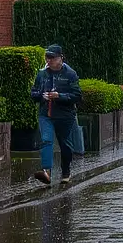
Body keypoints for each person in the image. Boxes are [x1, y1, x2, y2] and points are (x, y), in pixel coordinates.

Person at [30, 44, 83, 186]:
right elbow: (33, 93)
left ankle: (66, 171)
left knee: (65, 144)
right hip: (45, 114)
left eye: (52, 57)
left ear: (61, 58)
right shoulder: (42, 74)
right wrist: (42, 96)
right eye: (47, 57)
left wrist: (59, 96)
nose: (49, 60)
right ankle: (46, 171)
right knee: (46, 140)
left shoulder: (70, 74)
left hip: (65, 115)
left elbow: (77, 96)